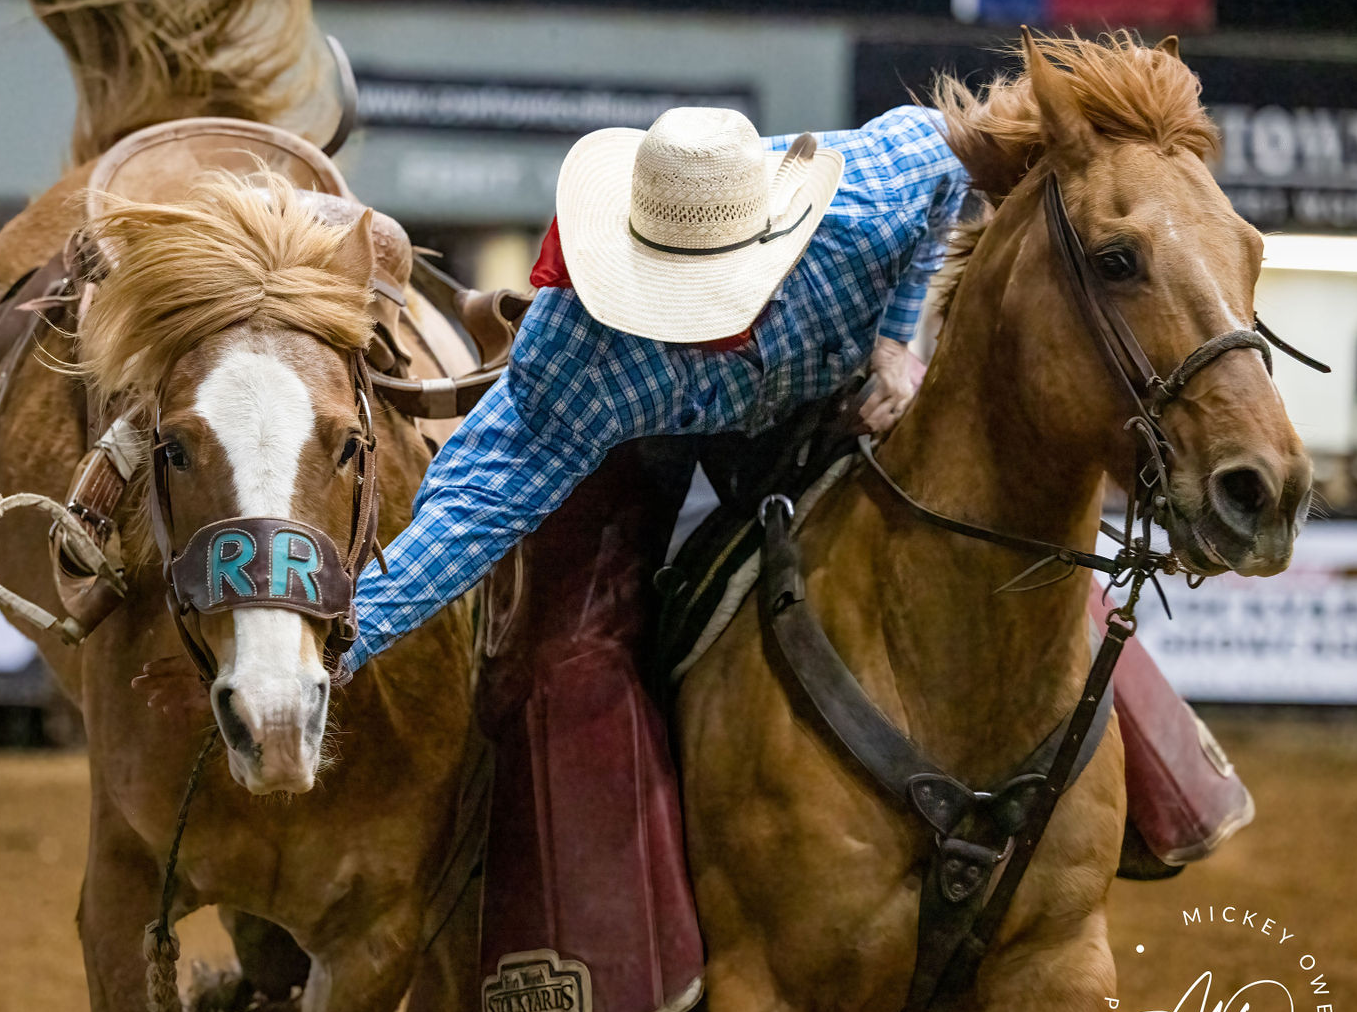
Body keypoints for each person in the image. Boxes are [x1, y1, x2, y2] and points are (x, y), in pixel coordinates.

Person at [345, 104, 966, 672]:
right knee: (576, 660)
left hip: (818, 419)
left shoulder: (875, 201)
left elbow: (952, 154)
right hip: (662, 452)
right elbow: (478, 503)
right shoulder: (580, 352)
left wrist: (894, 340)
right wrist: (338, 644)